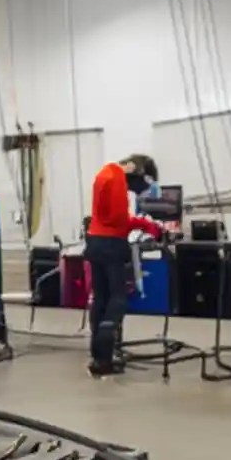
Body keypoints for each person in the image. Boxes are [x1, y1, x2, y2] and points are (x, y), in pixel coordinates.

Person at [84, 154, 162, 377]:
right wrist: (147, 225)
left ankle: (98, 356)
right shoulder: (116, 177)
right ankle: (105, 353)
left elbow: (106, 216)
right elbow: (118, 219)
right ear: (136, 170)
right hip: (111, 244)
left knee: (100, 298)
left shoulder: (104, 173)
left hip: (95, 242)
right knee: (117, 299)